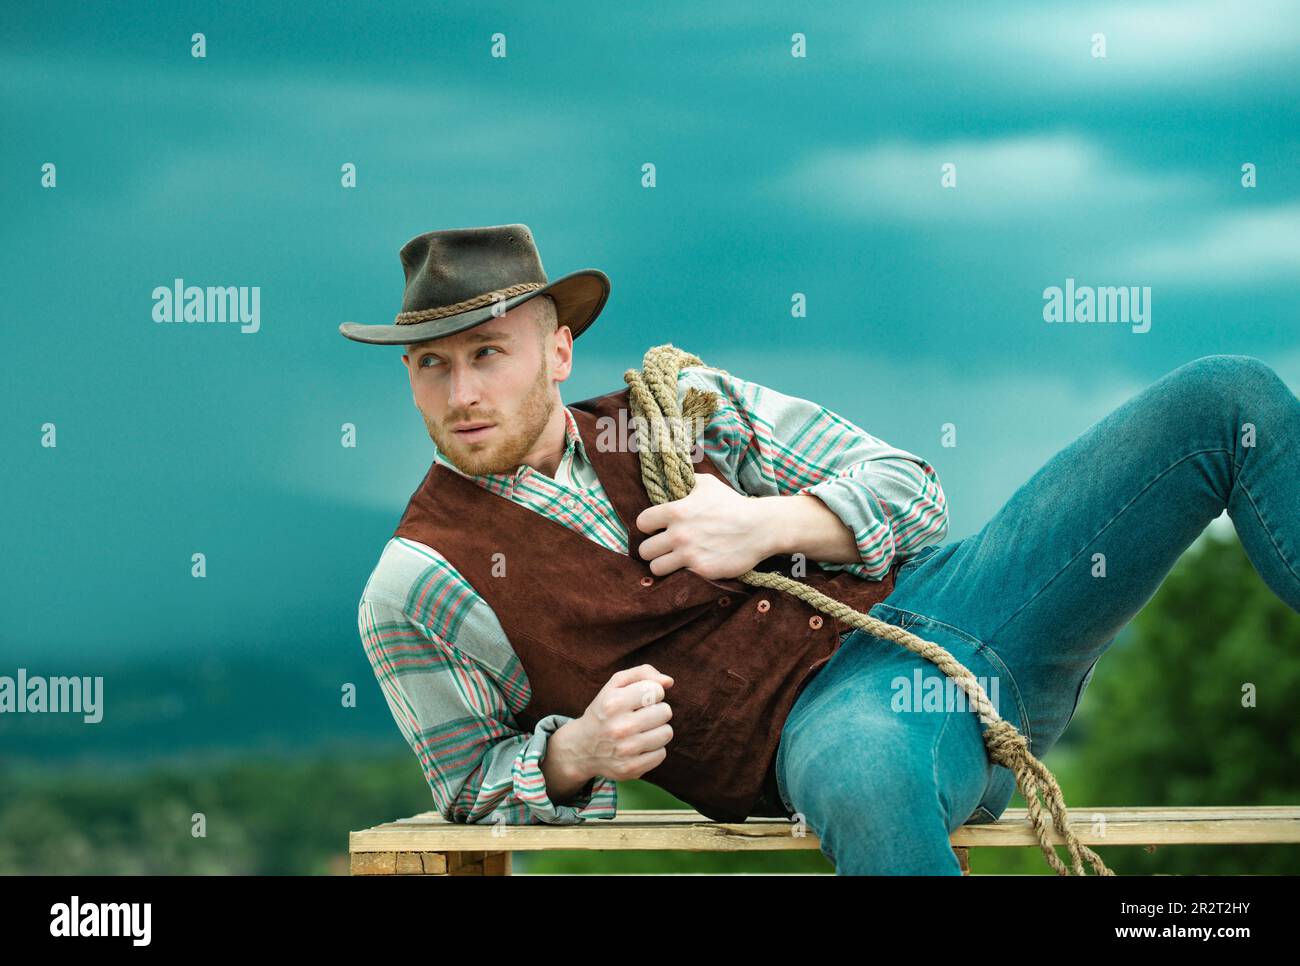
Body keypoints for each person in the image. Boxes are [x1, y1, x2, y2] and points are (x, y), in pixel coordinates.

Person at [342, 223, 1300, 874]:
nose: (463, 394)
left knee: (1226, 399)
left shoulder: (679, 407)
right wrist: (578, 752)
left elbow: (914, 492)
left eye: (489, 353)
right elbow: (467, 785)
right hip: (833, 732)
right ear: (408, 378)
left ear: (556, 352)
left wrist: (767, 523)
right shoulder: (417, 582)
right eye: (434, 364)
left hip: (972, 599)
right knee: (869, 771)